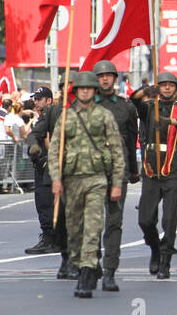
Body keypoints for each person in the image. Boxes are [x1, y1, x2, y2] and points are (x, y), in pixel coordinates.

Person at [47, 71, 126, 298]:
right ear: (75, 91)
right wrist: (56, 179)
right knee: (74, 228)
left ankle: (86, 271)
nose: (85, 91)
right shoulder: (66, 117)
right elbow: (54, 151)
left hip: (96, 179)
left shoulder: (104, 116)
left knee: (93, 227)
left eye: (89, 88)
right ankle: (80, 262)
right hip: (71, 181)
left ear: (95, 91)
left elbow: (116, 151)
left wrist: (117, 183)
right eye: (81, 88)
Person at [131, 72, 177, 280]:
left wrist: (171, 121)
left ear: (176, 88)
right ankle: (154, 248)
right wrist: (146, 90)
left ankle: (166, 259)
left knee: (169, 218)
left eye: (171, 85)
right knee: (145, 218)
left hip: (174, 169)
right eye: (163, 85)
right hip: (152, 168)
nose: (167, 88)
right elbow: (133, 101)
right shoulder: (149, 108)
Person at [93, 60, 140, 291]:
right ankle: (92, 265)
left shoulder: (126, 107)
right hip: (91, 172)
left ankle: (110, 270)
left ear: (115, 78)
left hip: (117, 171)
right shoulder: (86, 106)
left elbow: (131, 140)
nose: (105, 79)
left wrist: (133, 169)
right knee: (90, 223)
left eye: (109, 75)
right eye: (101, 76)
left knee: (114, 223)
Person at [24, 87, 68, 272]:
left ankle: (59, 240)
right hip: (46, 165)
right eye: (36, 99)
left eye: (40, 98)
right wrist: (33, 146)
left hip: (71, 166)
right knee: (44, 202)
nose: (36, 102)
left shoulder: (65, 112)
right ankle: (51, 238)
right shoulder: (49, 114)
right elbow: (34, 134)